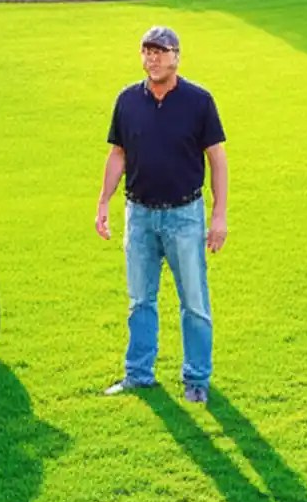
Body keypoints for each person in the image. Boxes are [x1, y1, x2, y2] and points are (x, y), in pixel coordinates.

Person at [95, 25, 229, 405]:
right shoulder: (127, 101)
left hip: (185, 216)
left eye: (160, 51)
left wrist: (219, 215)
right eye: (147, 51)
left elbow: (217, 159)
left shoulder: (199, 101)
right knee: (140, 300)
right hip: (139, 216)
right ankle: (138, 374)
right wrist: (103, 202)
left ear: (176, 57)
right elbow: (118, 154)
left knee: (194, 303)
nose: (152, 58)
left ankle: (196, 379)